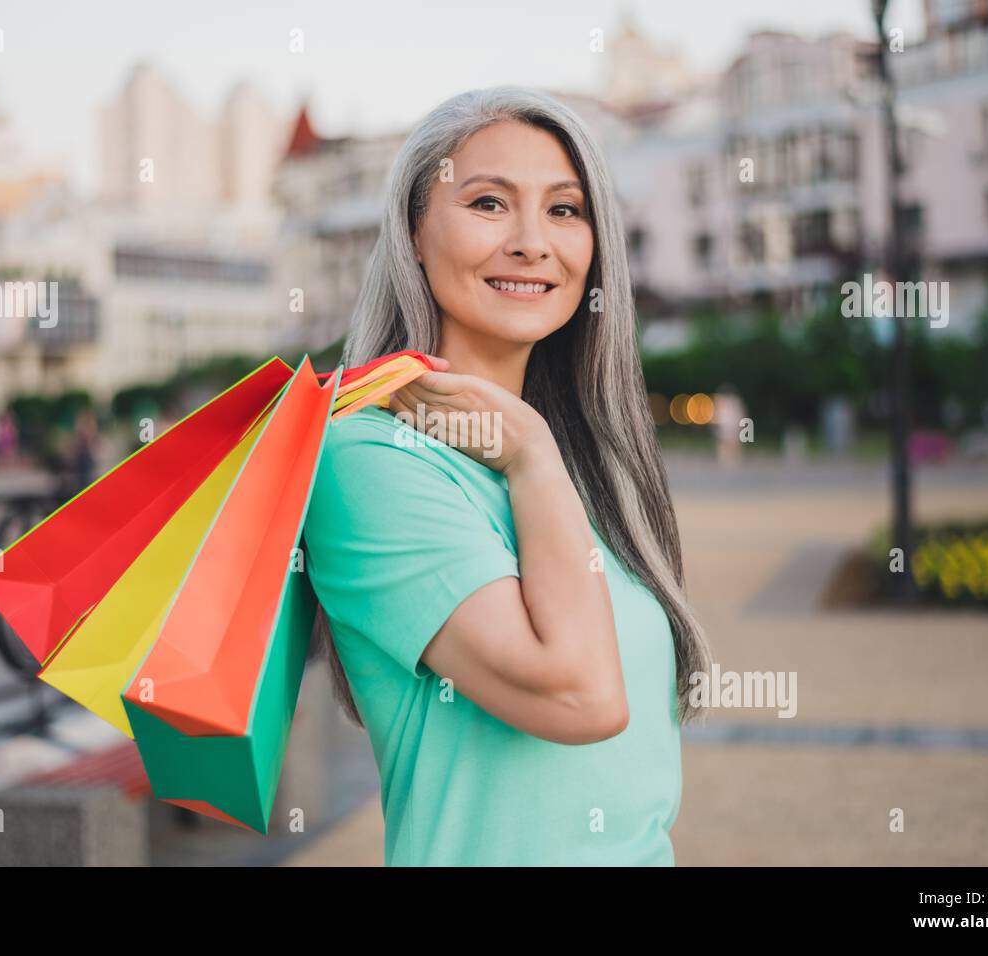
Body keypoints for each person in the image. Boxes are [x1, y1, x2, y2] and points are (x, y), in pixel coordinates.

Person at [302, 87, 711, 866]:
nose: (532, 243)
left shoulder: (577, 467)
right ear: (414, 234)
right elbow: (579, 696)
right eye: (489, 203)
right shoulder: (369, 464)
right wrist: (527, 453)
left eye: (564, 210)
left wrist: (535, 455)